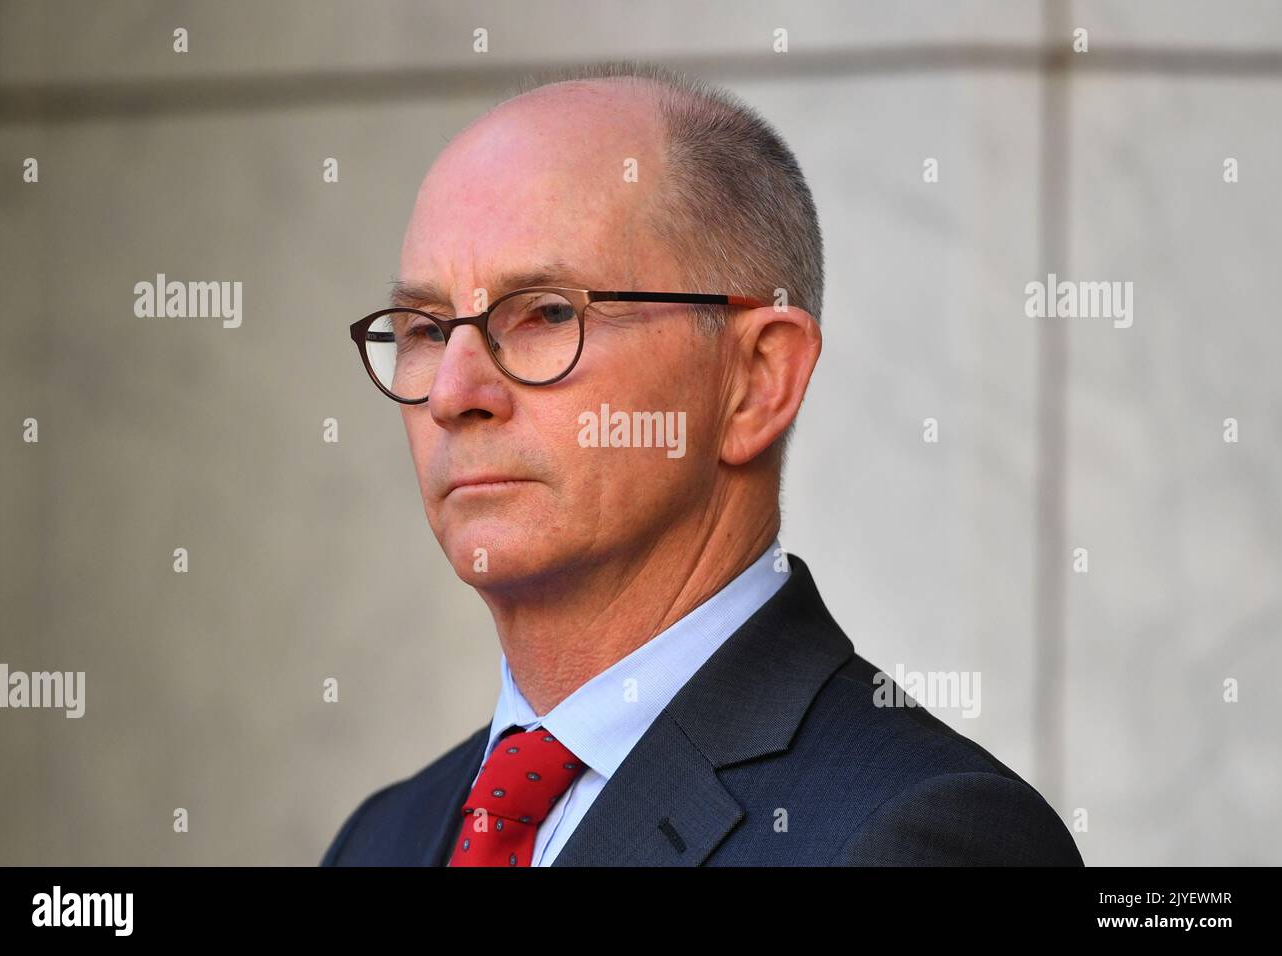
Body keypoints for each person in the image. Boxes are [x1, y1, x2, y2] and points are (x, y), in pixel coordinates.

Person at [323, 60, 1083, 866]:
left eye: (545, 313)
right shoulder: (383, 839)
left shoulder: (920, 836)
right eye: (424, 329)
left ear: (755, 381)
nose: (453, 393)